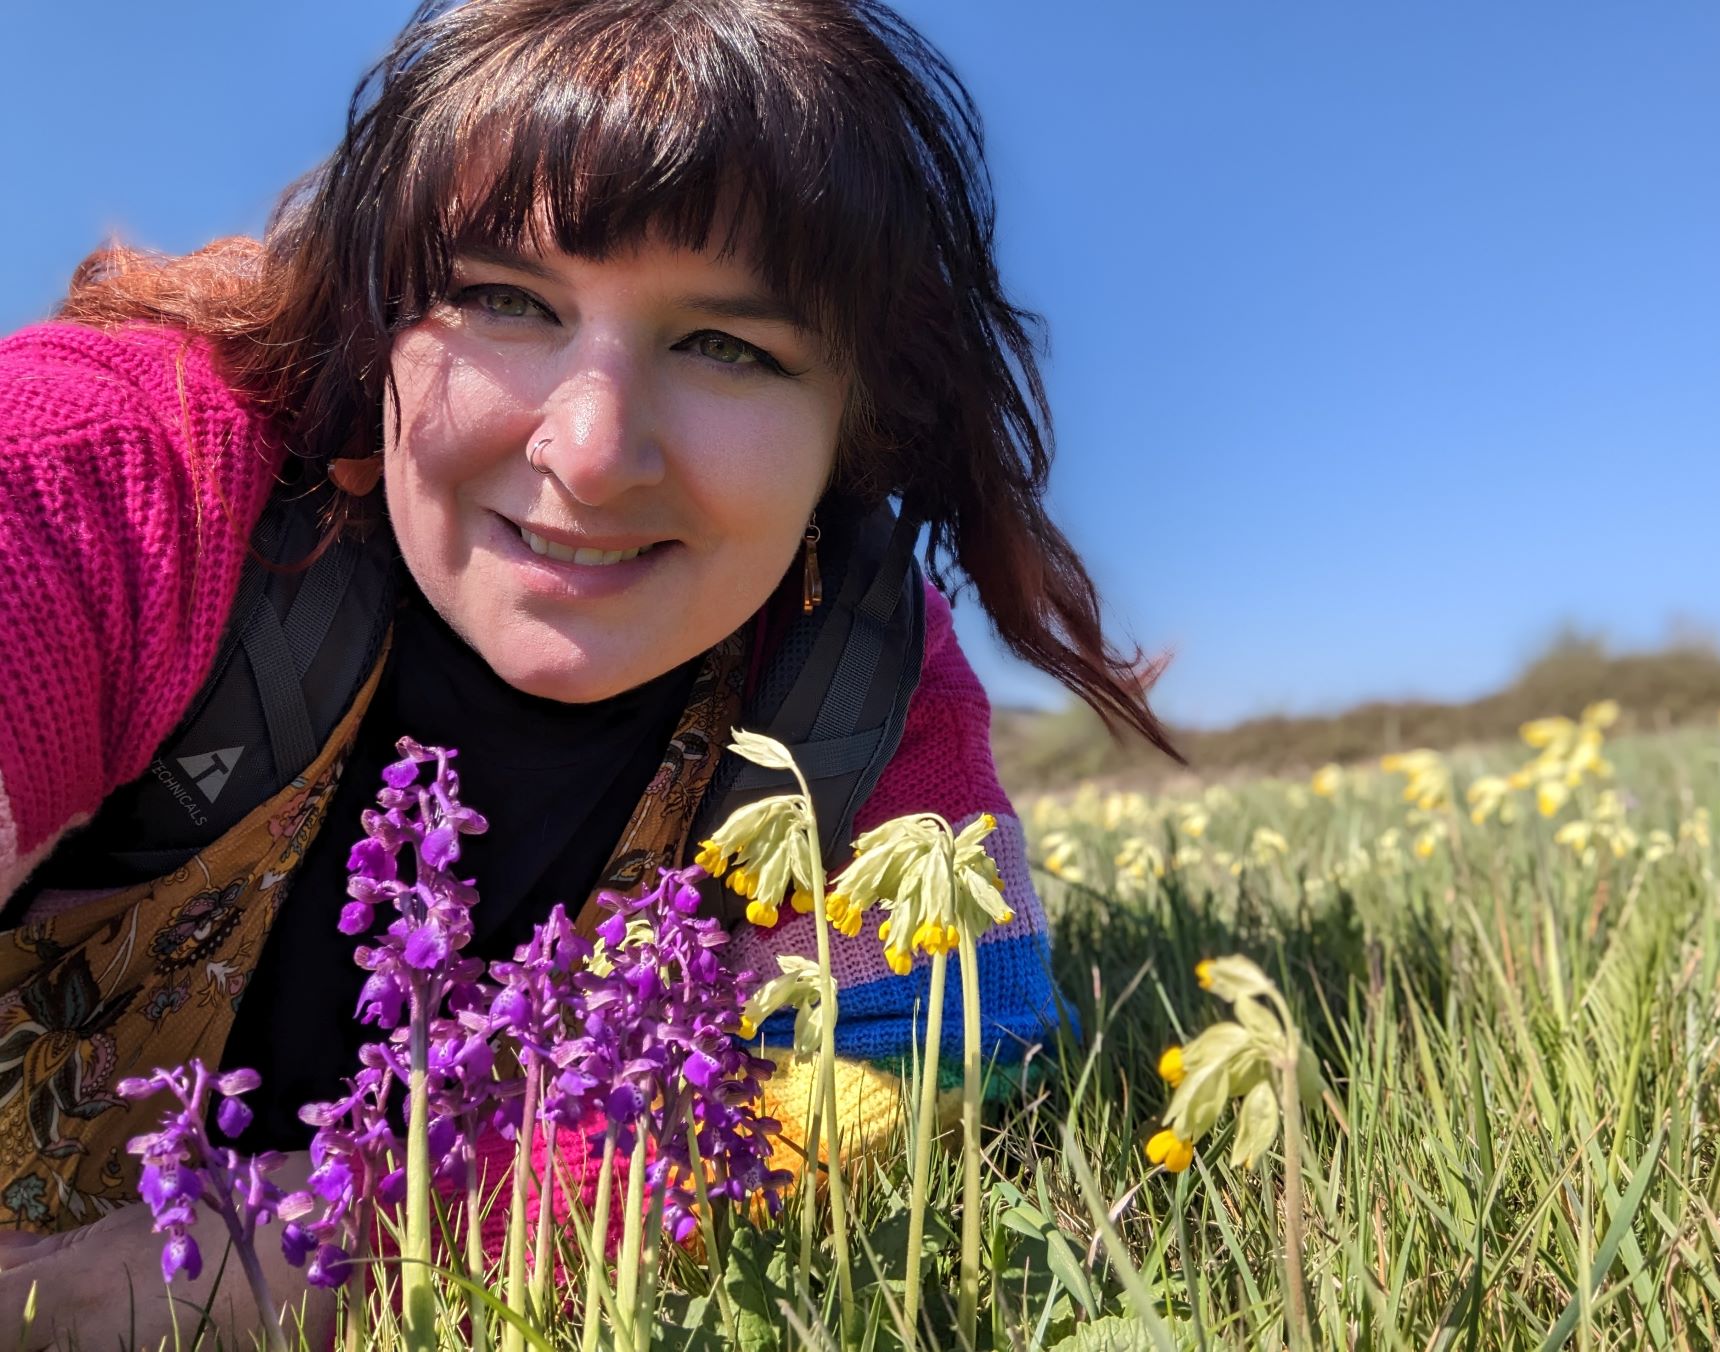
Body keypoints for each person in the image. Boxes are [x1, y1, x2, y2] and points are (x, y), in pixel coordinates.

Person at [0, 0, 1178, 1338]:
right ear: (369, 310)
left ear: (858, 420)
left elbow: (946, 1047)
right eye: (504, 300)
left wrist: (302, 1255)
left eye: (730, 344)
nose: (592, 448)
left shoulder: (855, 680)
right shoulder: (114, 471)